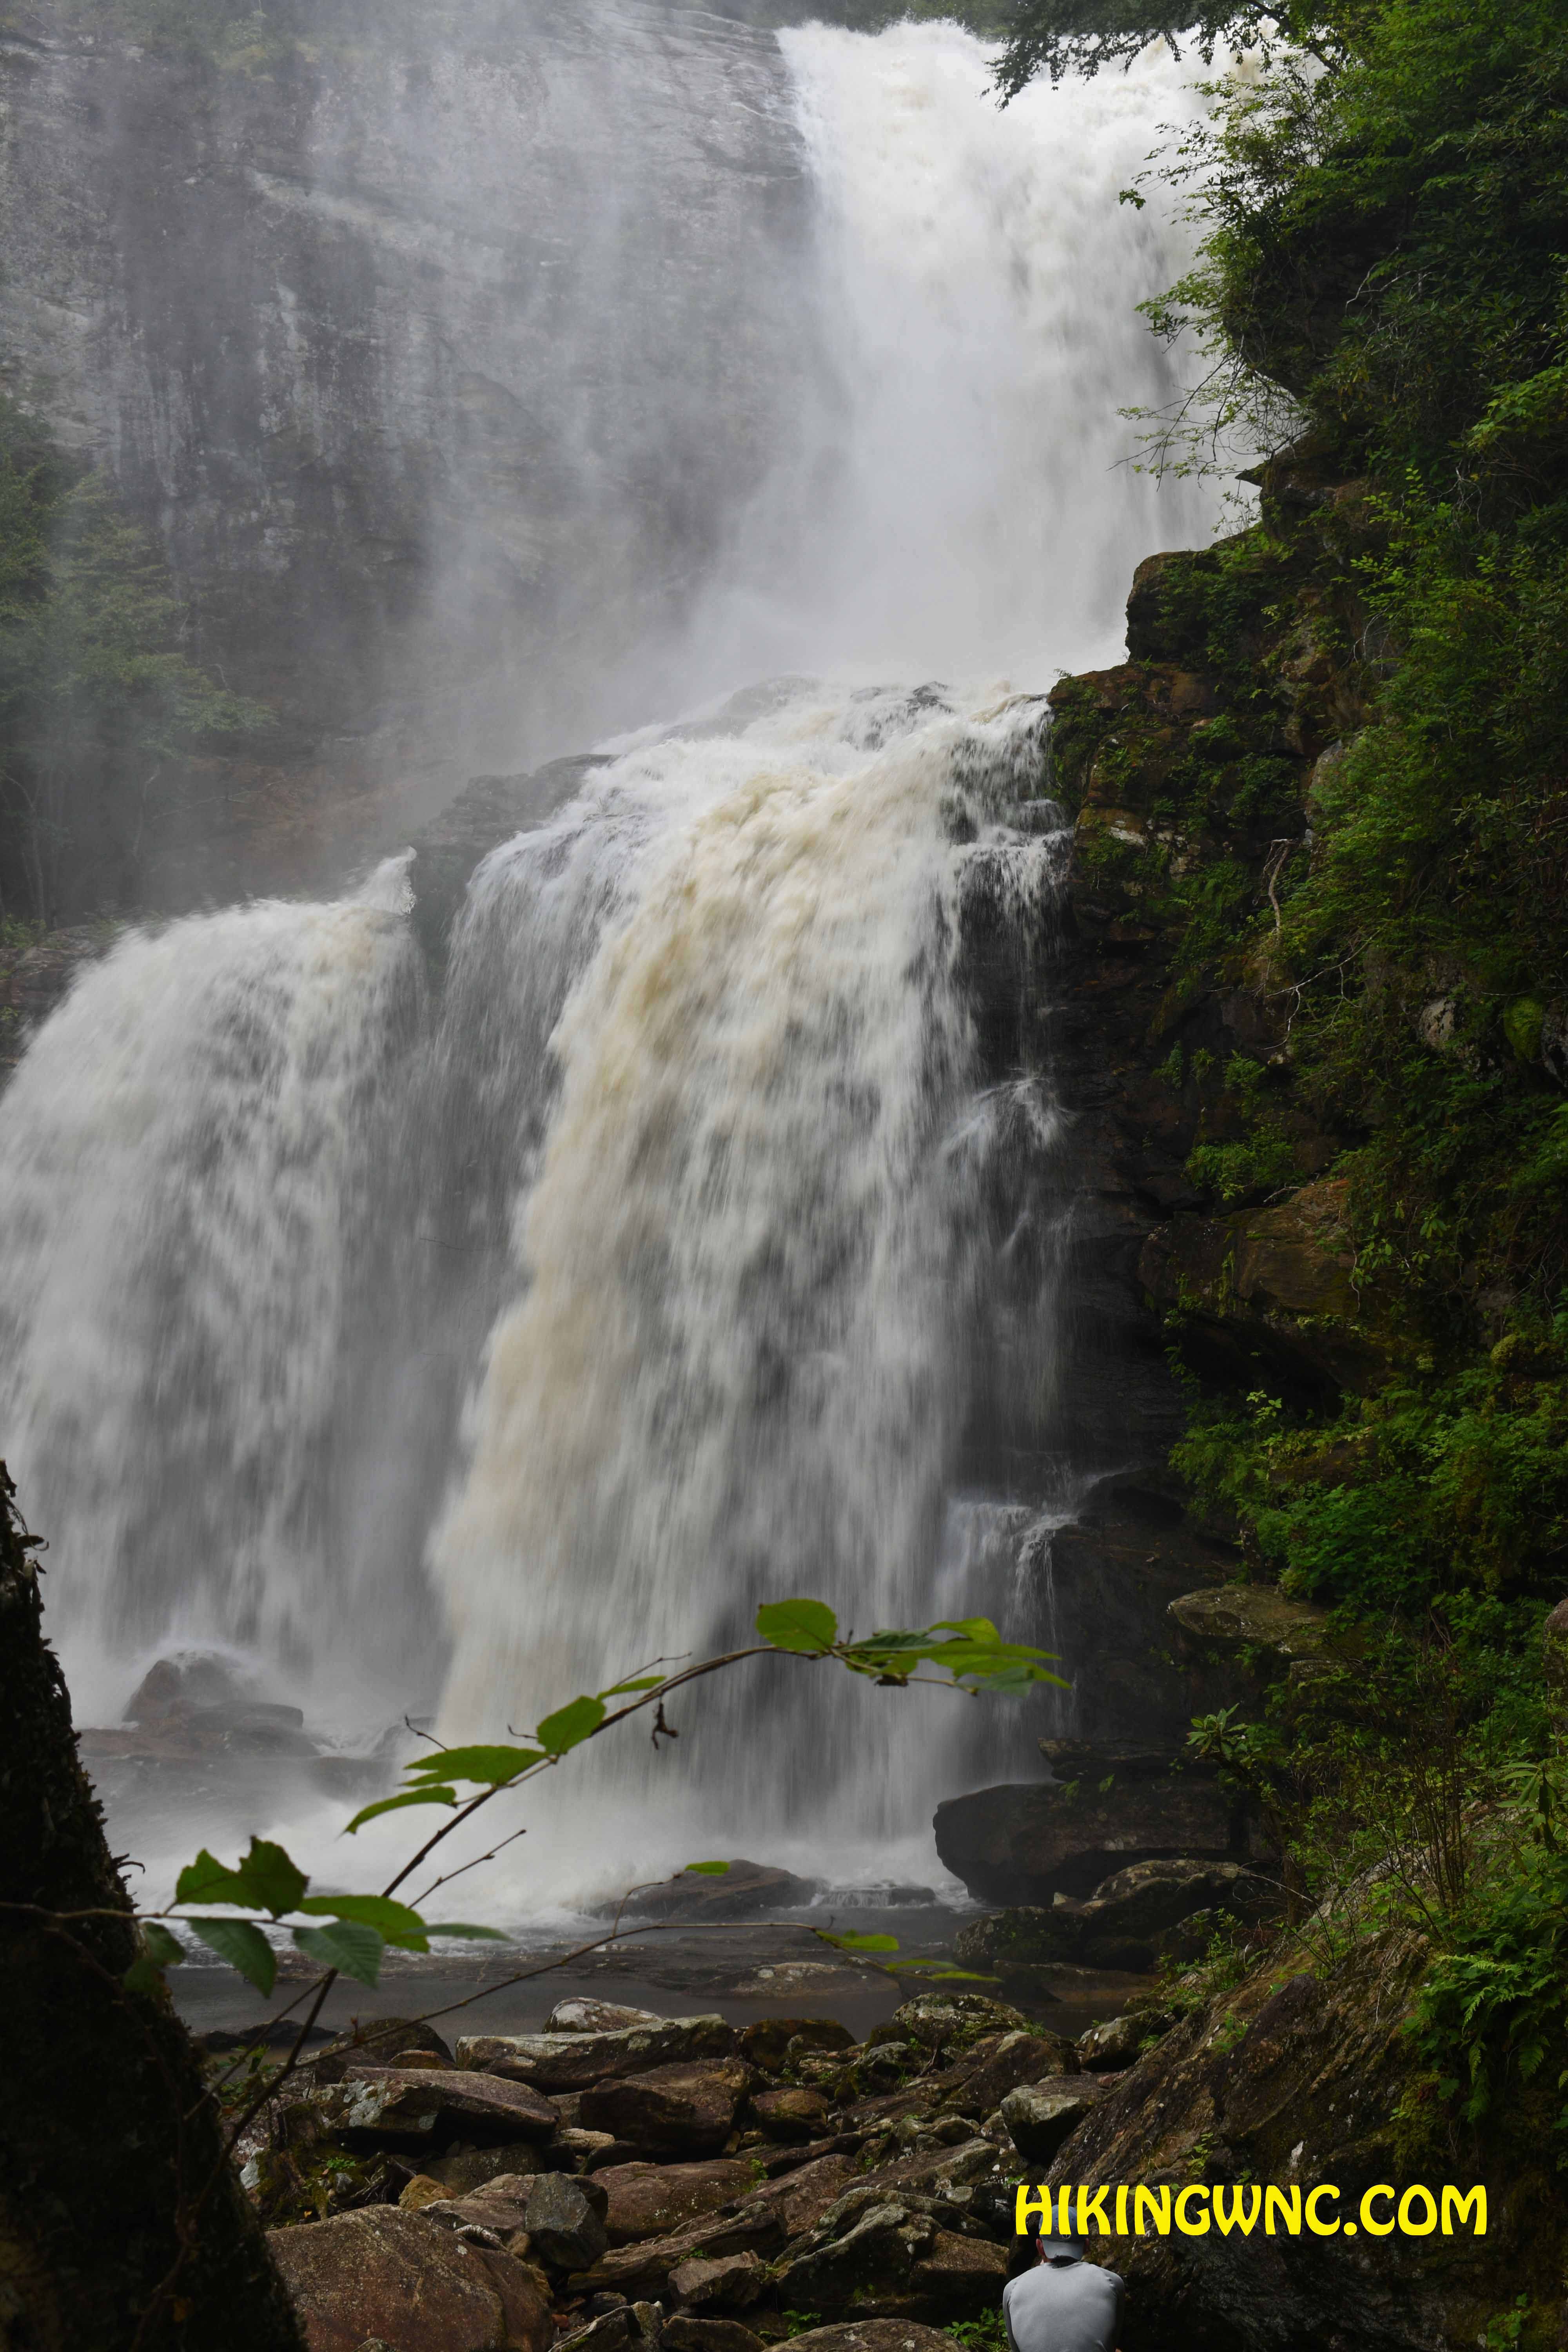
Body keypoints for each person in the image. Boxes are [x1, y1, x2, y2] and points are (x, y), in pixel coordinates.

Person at [1002, 2232, 1124, 2352]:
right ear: (1086, 2245)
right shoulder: (1113, 2282)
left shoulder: (1012, 2289)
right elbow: (1112, 2342)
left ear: (1040, 2246)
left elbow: (1016, 2349)